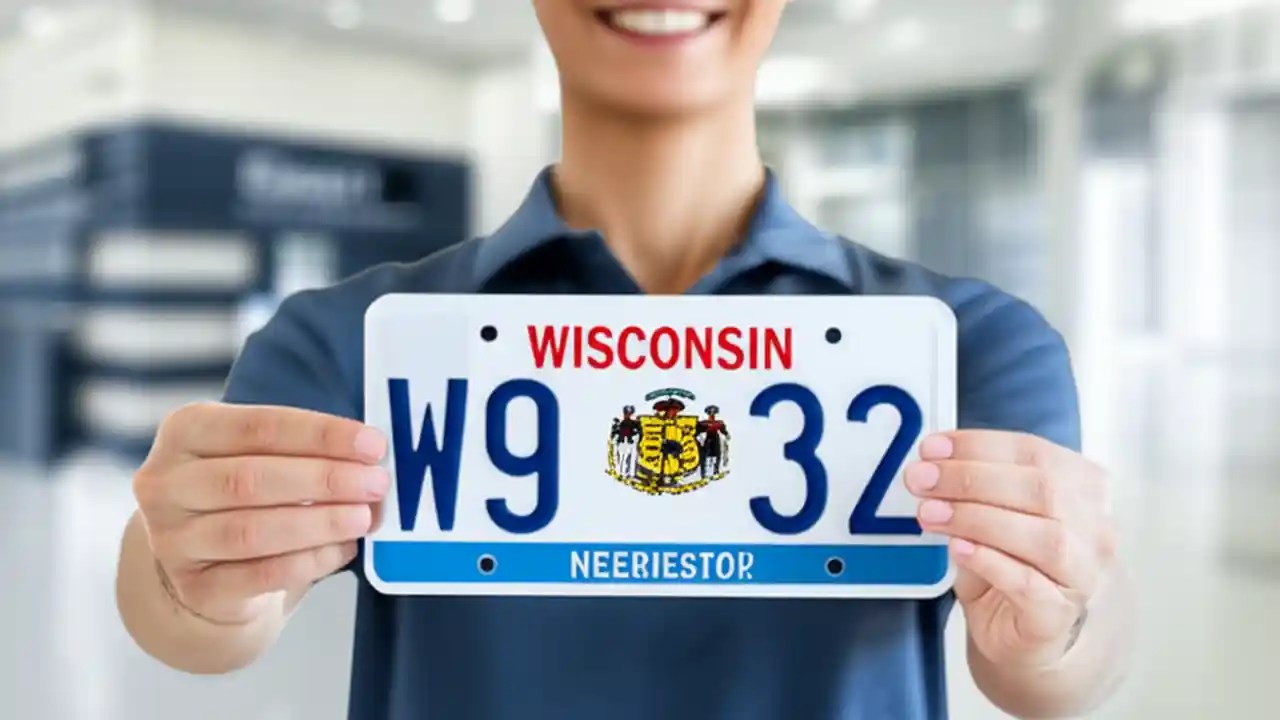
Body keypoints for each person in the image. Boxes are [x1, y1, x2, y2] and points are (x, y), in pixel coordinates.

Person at [115, 1, 1134, 718]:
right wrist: (190, 570)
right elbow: (203, 629)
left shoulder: (969, 343)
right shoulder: (360, 333)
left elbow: (1054, 677)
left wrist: (1058, 618)